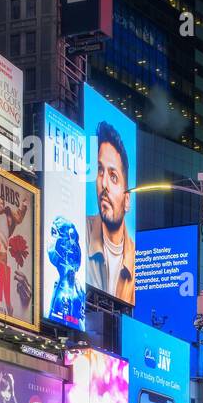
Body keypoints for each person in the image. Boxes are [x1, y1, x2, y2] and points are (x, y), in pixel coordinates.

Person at [86, 121, 135, 302]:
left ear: (127, 200)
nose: (104, 183)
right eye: (100, 171)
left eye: (113, 176)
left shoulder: (136, 263)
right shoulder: (78, 232)